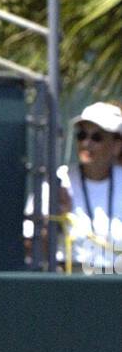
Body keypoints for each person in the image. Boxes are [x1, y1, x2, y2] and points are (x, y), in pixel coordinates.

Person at [59, 102, 122, 273]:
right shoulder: (59, 180)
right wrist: (53, 218)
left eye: (97, 137)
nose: (86, 143)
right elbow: (31, 246)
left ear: (116, 145)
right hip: (70, 281)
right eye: (82, 135)